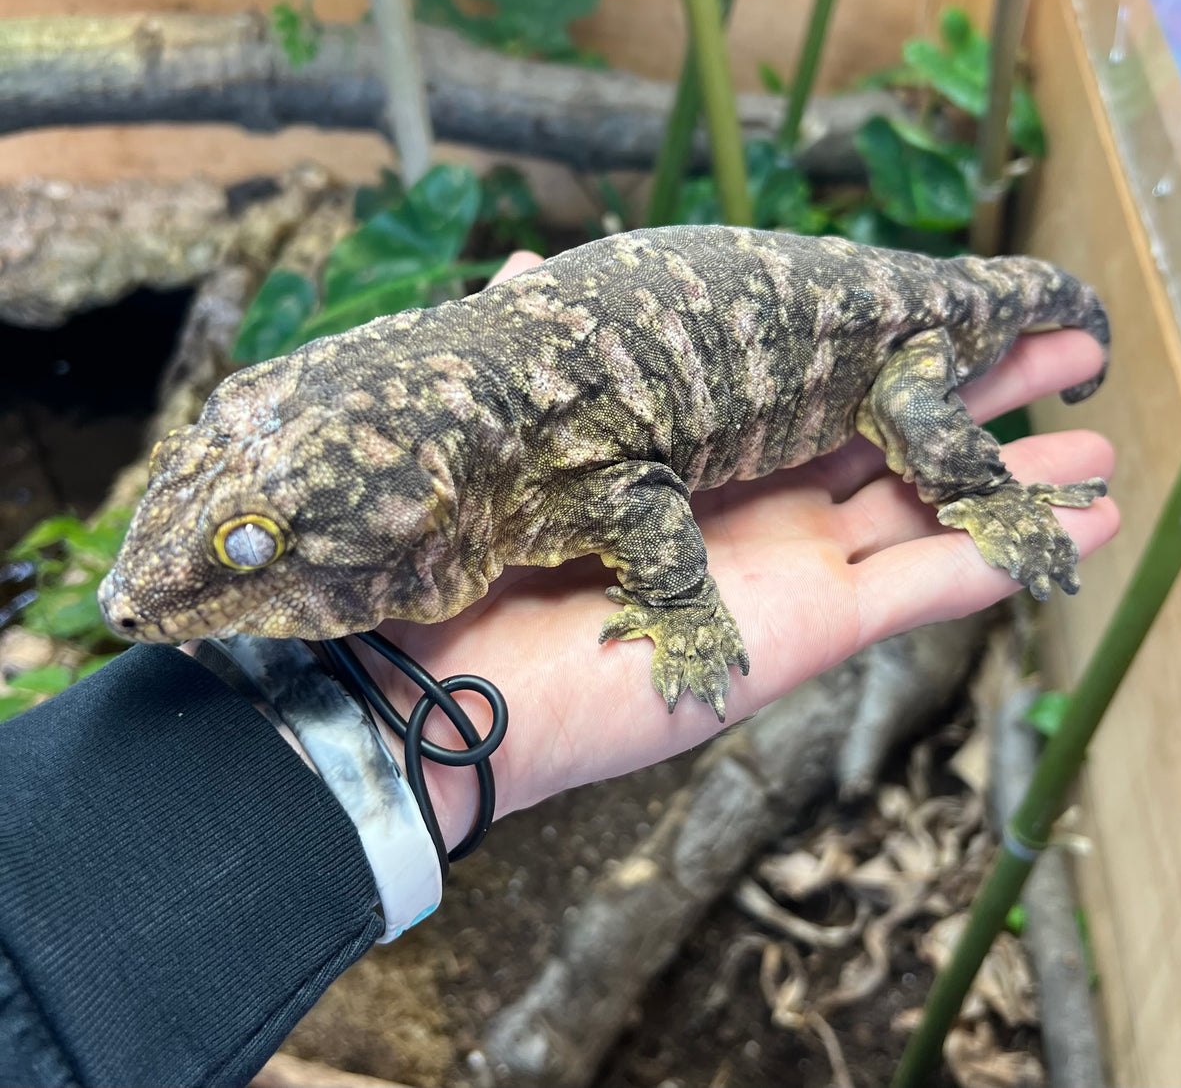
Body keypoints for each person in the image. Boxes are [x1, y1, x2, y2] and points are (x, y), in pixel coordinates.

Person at [0, 252, 1118, 1087]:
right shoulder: (466, 454)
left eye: (251, 551)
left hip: (884, 338)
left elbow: (644, 501)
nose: (139, 604)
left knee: (918, 421)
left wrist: (684, 608)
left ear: (424, 512)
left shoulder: (529, 481)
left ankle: (981, 494)